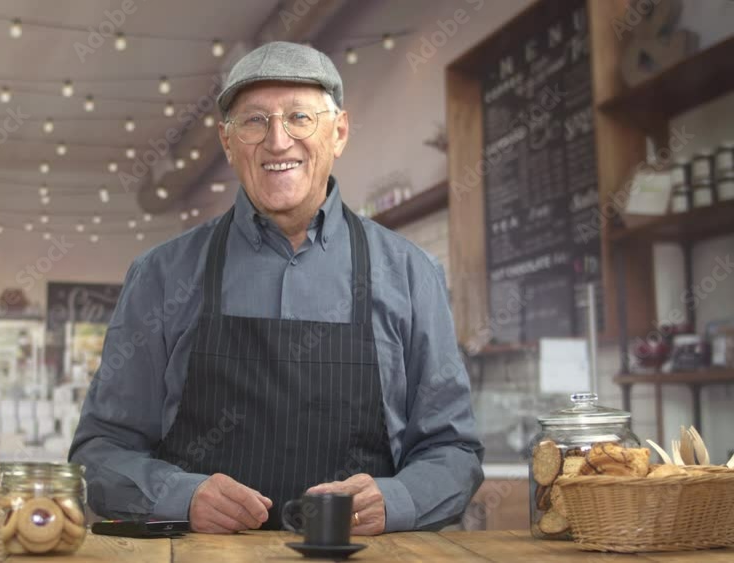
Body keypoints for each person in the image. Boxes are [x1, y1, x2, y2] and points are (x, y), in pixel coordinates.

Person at [69, 41, 484, 535]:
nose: (278, 141)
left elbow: (455, 452)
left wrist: (397, 499)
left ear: (340, 132)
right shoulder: (161, 276)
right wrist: (181, 495)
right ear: (227, 142)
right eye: (254, 121)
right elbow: (100, 453)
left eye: (300, 118)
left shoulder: (412, 275)